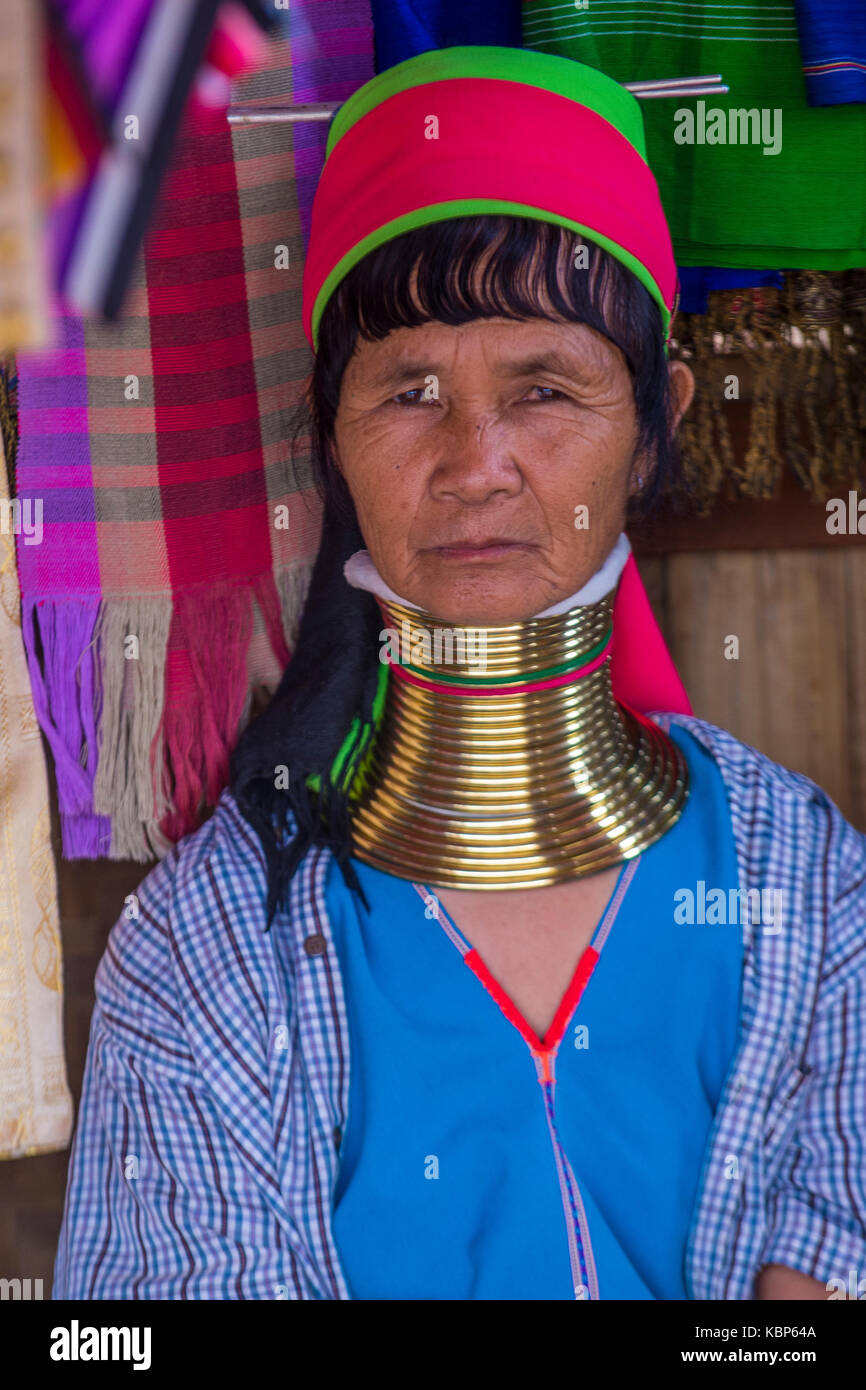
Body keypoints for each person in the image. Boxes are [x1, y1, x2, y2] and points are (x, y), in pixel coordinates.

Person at [54, 45, 866, 1301]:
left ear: (656, 424)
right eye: (408, 392)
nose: (475, 463)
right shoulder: (215, 954)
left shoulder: (803, 889)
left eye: (546, 389)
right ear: (329, 437)